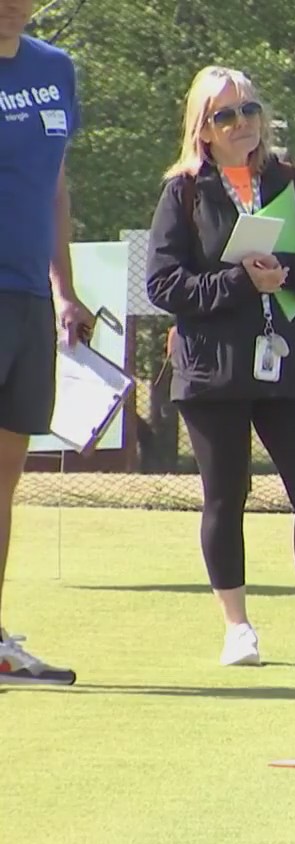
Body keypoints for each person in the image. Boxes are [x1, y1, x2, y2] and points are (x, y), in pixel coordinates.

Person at [145, 66, 295, 670]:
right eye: (226, 115)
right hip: (213, 372)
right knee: (226, 497)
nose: (242, 124)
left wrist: (285, 270)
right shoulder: (184, 191)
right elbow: (163, 283)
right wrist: (237, 281)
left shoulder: (287, 182)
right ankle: (238, 628)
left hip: (285, 367)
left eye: (248, 110)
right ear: (203, 128)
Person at [0, 2, 89, 685]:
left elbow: (55, 184)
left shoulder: (56, 69)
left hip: (31, 300)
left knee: (5, 480)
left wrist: (66, 289)